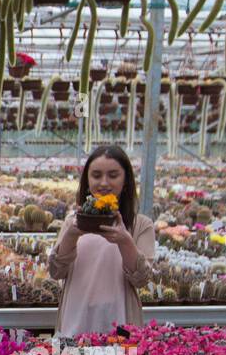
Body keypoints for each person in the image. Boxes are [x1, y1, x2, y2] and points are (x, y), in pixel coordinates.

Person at [48, 144, 154, 337]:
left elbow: (142, 280)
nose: (104, 183)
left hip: (120, 328)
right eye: (96, 175)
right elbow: (56, 271)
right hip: (74, 324)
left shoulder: (141, 225)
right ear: (87, 181)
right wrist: (71, 236)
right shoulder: (72, 222)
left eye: (113, 175)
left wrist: (125, 241)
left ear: (126, 181)